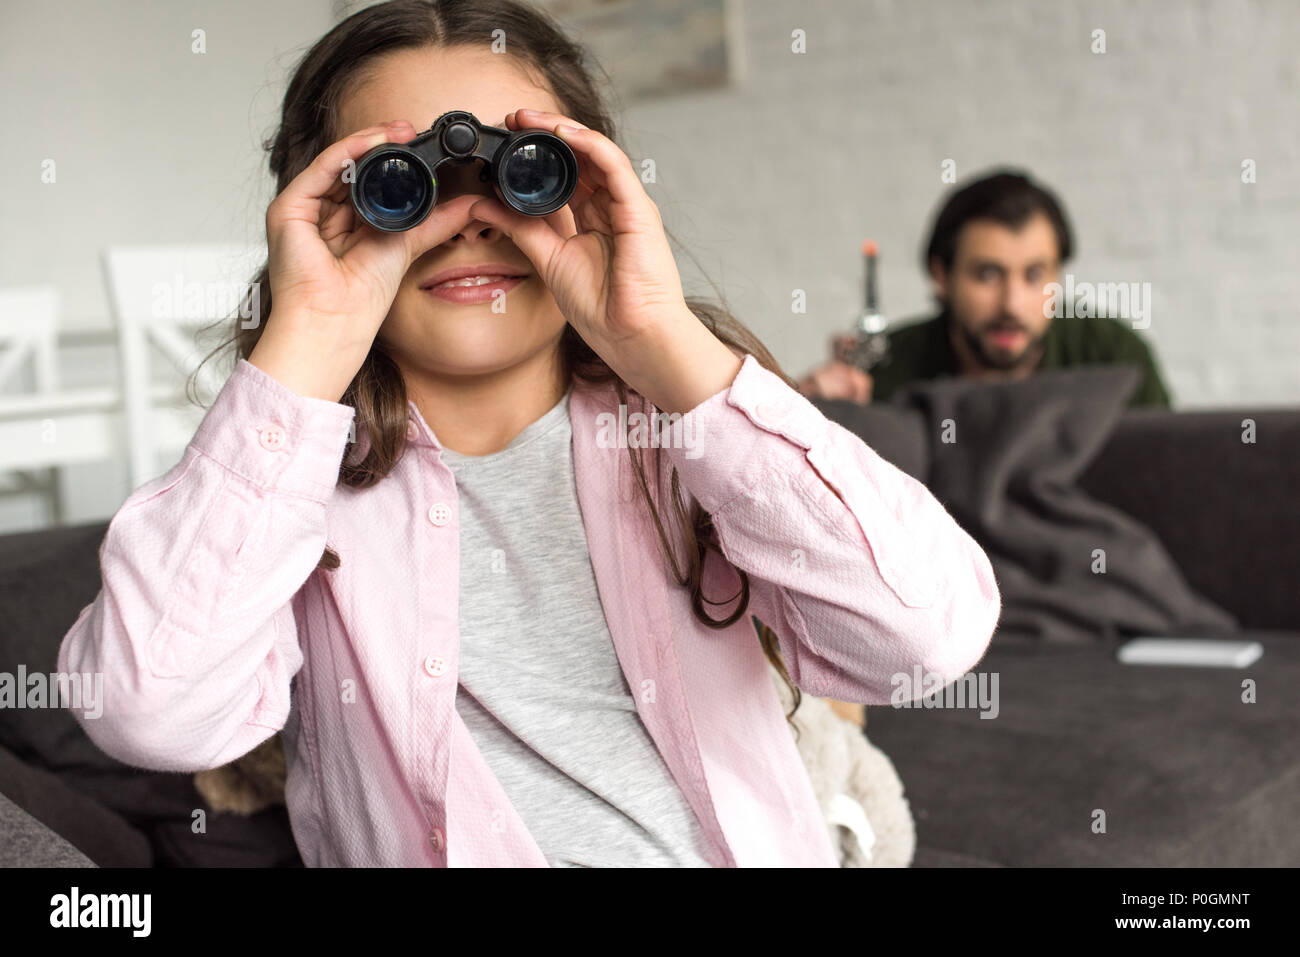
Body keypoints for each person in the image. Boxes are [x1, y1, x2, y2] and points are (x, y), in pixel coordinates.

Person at [56, 0, 999, 868]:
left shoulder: (690, 434)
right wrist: (310, 340)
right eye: (405, 182)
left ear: (590, 185)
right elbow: (147, 710)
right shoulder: (292, 491)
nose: (469, 219)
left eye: (522, 170)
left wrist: (663, 341)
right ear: (325, 211)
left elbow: (925, 640)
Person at [798, 170, 1173, 408]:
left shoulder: (1115, 357)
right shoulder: (884, 370)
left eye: (1033, 275)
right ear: (942, 275)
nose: (1012, 304)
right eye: (987, 275)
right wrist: (809, 413)